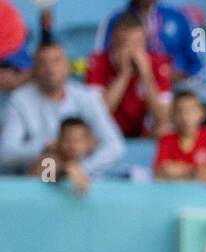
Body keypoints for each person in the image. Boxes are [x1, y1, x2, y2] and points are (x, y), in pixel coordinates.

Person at [0, 43, 125, 177]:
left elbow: (115, 147)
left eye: (56, 61)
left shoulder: (86, 97)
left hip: (83, 179)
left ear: (67, 67)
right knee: (48, 162)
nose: (50, 69)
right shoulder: (20, 99)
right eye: (43, 63)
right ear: (34, 70)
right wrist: (45, 147)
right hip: (40, 175)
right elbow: (5, 154)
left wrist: (78, 170)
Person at [86, 13, 172, 139]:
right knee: (87, 132)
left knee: (165, 130)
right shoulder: (98, 62)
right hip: (108, 131)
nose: (132, 50)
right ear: (113, 41)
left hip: (145, 132)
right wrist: (123, 75)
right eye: (126, 44)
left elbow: (162, 117)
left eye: (138, 44)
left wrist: (147, 76)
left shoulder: (158, 64)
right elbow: (96, 115)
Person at [94, 0, 202, 84]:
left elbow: (199, 61)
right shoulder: (114, 20)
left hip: (177, 89)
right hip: (130, 88)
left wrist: (184, 77)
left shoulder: (181, 17)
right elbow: (102, 58)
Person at [153, 89, 206, 181]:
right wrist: (196, 172)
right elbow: (161, 172)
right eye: (179, 111)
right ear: (172, 115)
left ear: (202, 113)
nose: (185, 116)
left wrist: (181, 172)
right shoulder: (166, 140)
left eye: (190, 110)